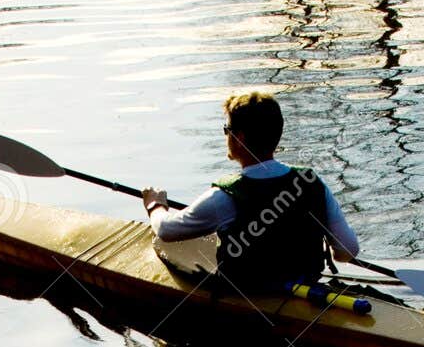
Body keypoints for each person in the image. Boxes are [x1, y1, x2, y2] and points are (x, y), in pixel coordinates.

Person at [141, 90, 359, 292]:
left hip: (248, 296)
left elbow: (166, 231)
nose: (226, 136)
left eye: (227, 130)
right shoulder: (312, 183)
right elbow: (347, 251)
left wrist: (155, 205)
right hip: (305, 290)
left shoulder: (224, 196)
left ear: (240, 138)